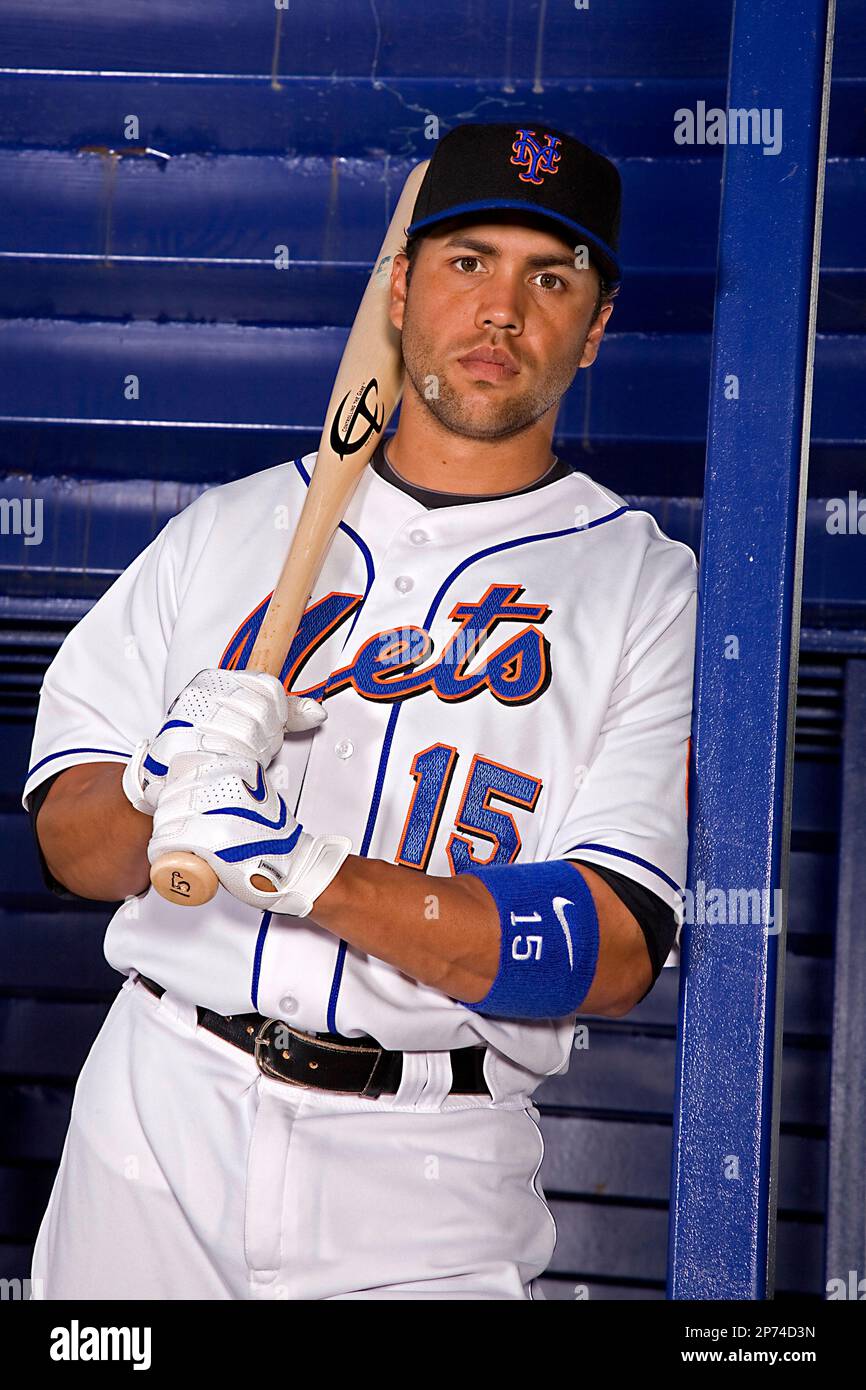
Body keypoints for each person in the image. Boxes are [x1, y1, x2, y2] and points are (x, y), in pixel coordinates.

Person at [23, 123, 697, 1300]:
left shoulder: (649, 588)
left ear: (593, 330)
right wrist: (154, 791)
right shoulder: (224, 533)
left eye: (551, 277)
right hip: (154, 1120)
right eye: (467, 261)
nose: (501, 311)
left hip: (426, 1173)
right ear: (399, 287)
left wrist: (300, 866)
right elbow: (70, 842)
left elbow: (609, 945)